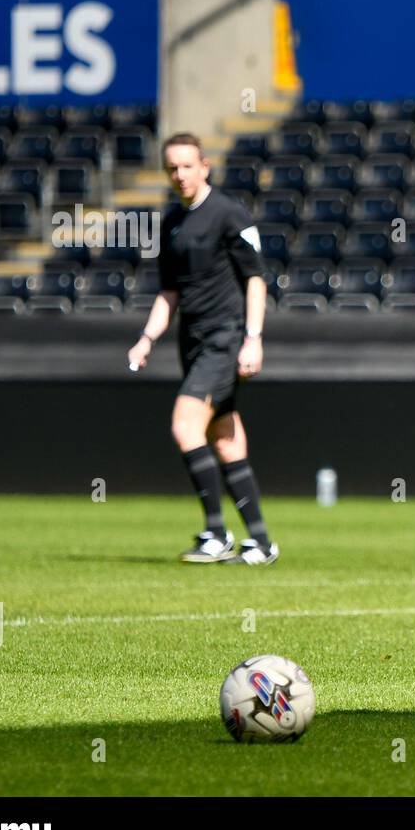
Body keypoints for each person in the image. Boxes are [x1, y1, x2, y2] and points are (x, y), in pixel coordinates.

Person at [126, 132, 280, 565]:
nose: (180, 174)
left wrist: (253, 338)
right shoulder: (171, 222)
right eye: (172, 167)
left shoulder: (230, 214)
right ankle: (261, 542)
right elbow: (169, 293)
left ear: (205, 166)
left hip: (224, 338)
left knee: (184, 425)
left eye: (187, 165)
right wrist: (146, 338)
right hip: (191, 341)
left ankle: (216, 533)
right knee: (226, 440)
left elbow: (255, 279)